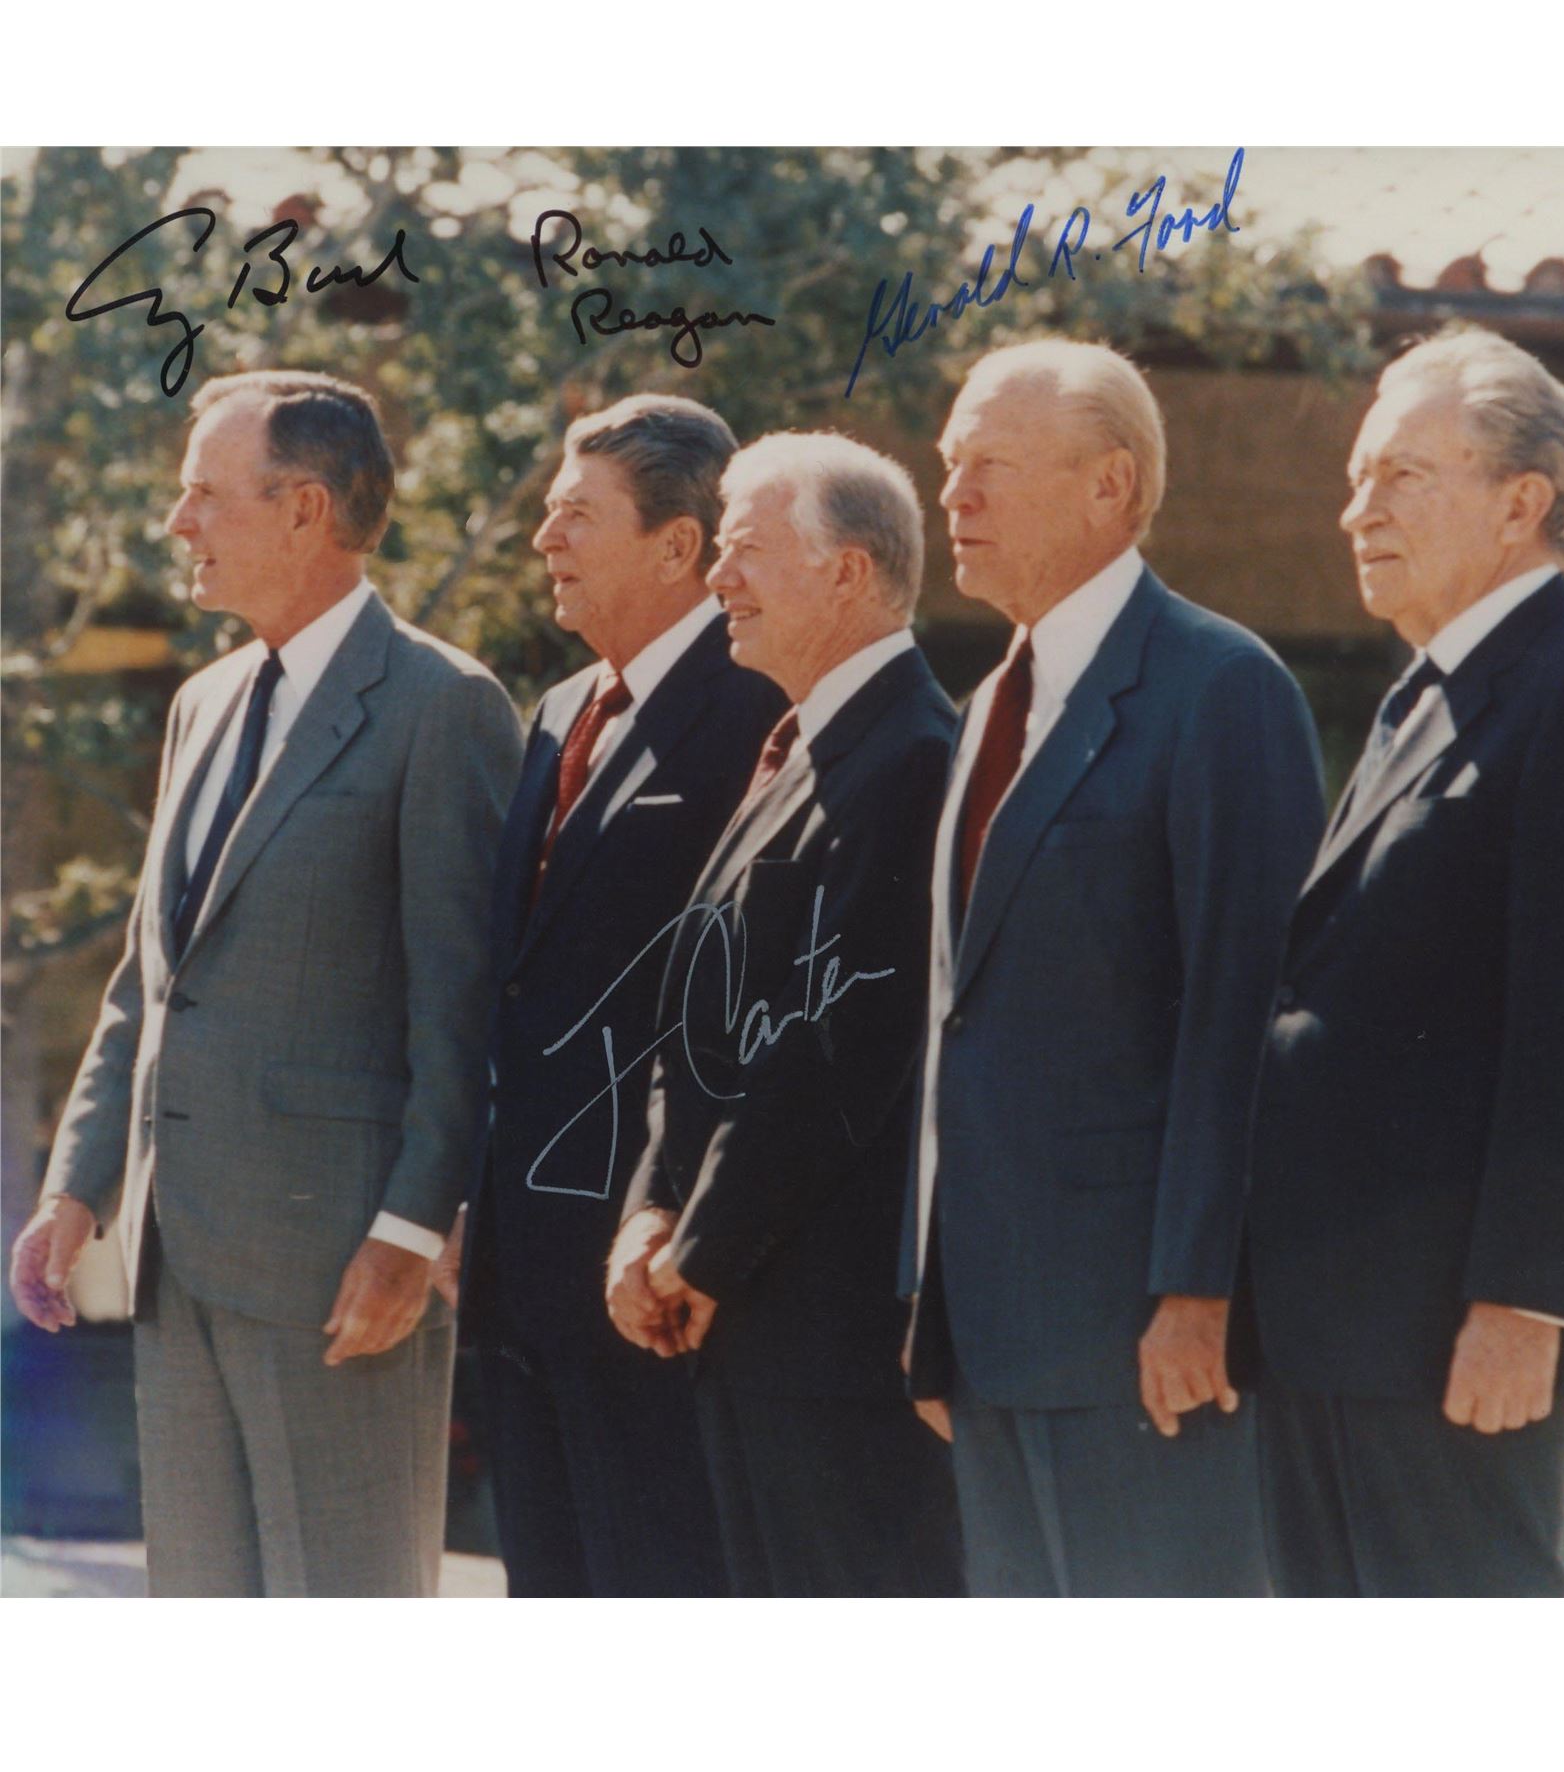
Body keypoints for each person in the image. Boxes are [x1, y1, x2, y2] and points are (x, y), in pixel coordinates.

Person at [8, 370, 522, 1596]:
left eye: (202, 496)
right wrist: (77, 1188)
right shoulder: (203, 701)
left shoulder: (444, 706)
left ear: (303, 509)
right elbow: (151, 978)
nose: (179, 524)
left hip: (343, 1272)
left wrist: (410, 1229)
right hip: (176, 1255)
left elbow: (468, 1002)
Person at [1234, 325, 1564, 1597]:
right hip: (1338, 1320)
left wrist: (1524, 1303)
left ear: (1521, 503)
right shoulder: (1416, 700)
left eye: (1400, 478)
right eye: (1357, 477)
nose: (1355, 510)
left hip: (1449, 1327)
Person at [903, 338, 1325, 1596]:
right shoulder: (988, 705)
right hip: (988, 1331)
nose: (953, 498)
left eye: (989, 467)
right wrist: (935, 1318)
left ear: (1108, 486)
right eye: (948, 466)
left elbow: (1243, 1014)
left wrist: (1200, 1292)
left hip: (1139, 1336)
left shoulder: (1221, 687)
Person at [607, 432, 963, 1597]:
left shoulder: (914, 759)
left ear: (849, 572)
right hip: (746, 1316)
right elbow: (702, 1021)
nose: (716, 580)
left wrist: (698, 1247)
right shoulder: (803, 748)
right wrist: (649, 1215)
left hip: (832, 1339)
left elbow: (840, 1050)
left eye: (748, 549)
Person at [445, 395, 783, 1596]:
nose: (547, 541)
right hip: (526, 1269)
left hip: (652, 1272)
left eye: (575, 516)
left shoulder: (757, 709)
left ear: (678, 545)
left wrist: (677, 1228)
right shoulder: (558, 713)